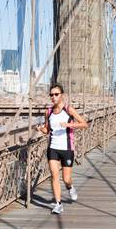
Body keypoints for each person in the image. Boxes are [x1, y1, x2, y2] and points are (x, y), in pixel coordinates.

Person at [36, 83, 88, 214]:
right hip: (53, 147)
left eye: (56, 94)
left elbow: (84, 124)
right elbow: (47, 130)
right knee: (54, 176)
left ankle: (70, 187)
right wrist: (40, 129)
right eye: (51, 95)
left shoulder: (68, 109)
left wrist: (69, 124)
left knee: (66, 179)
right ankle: (58, 204)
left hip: (67, 148)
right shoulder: (48, 112)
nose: (53, 97)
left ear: (62, 95)